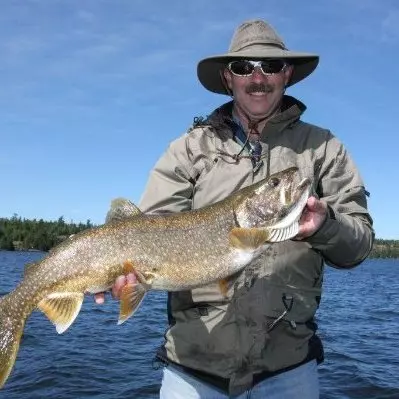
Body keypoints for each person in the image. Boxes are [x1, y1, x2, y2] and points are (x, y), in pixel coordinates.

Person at [96, 19, 374, 398]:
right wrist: (121, 272)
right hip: (193, 370)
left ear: (287, 74)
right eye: (244, 67)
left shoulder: (324, 148)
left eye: (271, 66)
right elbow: (151, 227)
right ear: (229, 78)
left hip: (289, 369)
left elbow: (359, 245)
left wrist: (326, 226)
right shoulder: (189, 149)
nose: (258, 77)